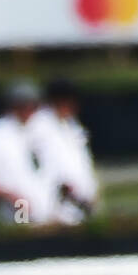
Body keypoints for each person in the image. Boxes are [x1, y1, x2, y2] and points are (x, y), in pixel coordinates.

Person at [0, 79, 56, 225]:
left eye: (33, 105)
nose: (28, 110)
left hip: (47, 218)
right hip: (16, 217)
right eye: (23, 105)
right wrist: (11, 196)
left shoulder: (40, 131)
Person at [26, 78, 99, 225]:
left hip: (80, 209)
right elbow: (38, 168)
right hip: (54, 210)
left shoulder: (72, 125)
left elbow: (82, 165)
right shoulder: (38, 125)